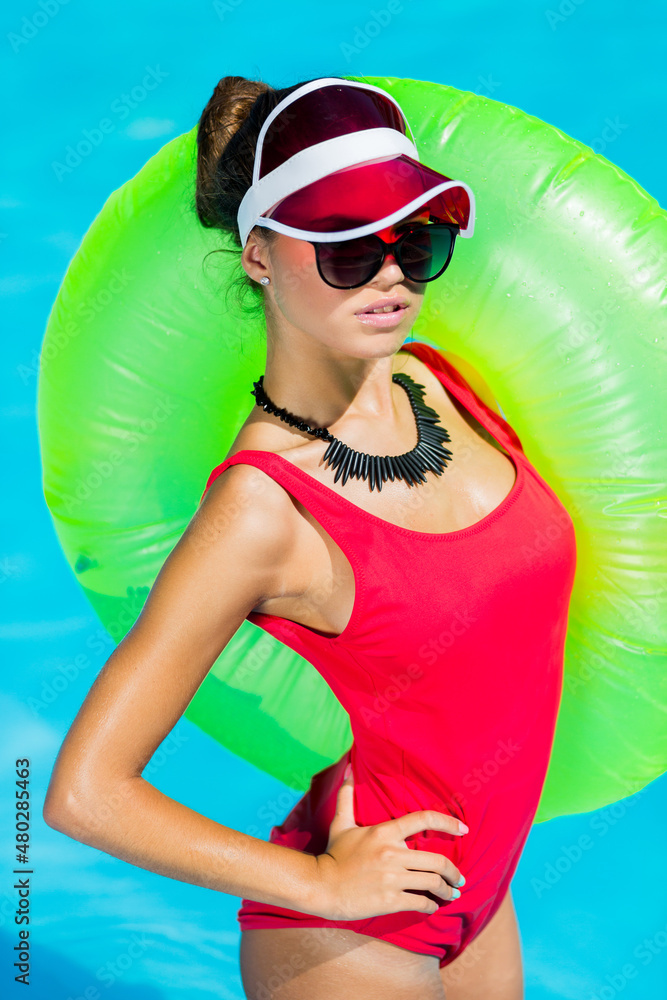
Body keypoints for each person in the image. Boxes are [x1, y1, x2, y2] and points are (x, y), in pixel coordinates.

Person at [43, 75, 577, 1000]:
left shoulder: (439, 381)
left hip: (478, 891)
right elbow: (86, 792)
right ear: (257, 255)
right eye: (343, 251)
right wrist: (319, 882)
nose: (389, 275)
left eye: (416, 241)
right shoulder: (261, 510)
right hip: (351, 942)